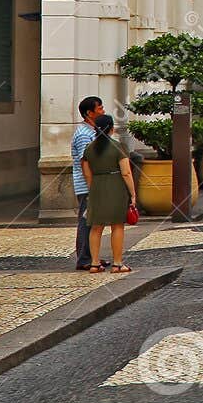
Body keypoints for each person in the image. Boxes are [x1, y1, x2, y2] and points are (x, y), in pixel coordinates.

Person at [81, 113, 137, 273]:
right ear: (112, 128)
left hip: (97, 187)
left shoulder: (89, 149)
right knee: (117, 225)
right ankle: (117, 263)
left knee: (96, 227)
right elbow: (126, 173)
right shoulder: (118, 147)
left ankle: (94, 263)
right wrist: (132, 194)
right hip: (116, 186)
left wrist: (94, 187)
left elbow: (86, 173)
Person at [71, 95, 103, 270]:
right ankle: (84, 258)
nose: (103, 111)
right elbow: (86, 162)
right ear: (89, 113)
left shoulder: (92, 132)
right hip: (86, 184)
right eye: (99, 108)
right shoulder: (84, 134)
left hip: (92, 182)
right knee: (86, 219)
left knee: (92, 220)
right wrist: (92, 186)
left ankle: (93, 256)